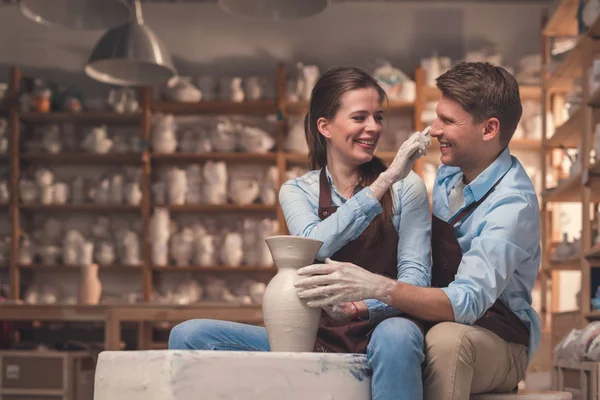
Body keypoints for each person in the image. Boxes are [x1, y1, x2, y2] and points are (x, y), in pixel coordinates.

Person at [168, 66, 432, 400]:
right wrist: (383, 181)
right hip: (314, 332)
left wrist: (359, 308)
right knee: (189, 335)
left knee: (398, 336)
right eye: (360, 117)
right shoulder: (298, 190)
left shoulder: (407, 187)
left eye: (378, 117)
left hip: (382, 328)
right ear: (325, 126)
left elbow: (416, 282)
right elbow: (316, 245)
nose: (374, 128)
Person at [296, 62, 541, 400]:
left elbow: (467, 302)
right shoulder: (448, 174)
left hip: (496, 336)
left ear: (489, 129)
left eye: (448, 121)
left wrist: (378, 287)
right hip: (439, 318)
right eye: (437, 116)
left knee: (443, 344)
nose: (433, 129)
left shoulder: (512, 205)